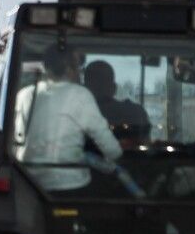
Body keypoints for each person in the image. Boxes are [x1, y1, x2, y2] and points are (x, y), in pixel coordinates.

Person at [14, 49, 121, 192]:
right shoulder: (80, 95)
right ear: (70, 69)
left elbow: (17, 137)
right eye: (78, 68)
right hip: (70, 183)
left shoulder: (24, 95)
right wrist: (117, 156)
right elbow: (106, 141)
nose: (79, 73)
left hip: (29, 180)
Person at [83, 60, 151, 147]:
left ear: (85, 88)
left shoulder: (72, 115)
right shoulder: (135, 113)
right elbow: (146, 149)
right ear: (113, 88)